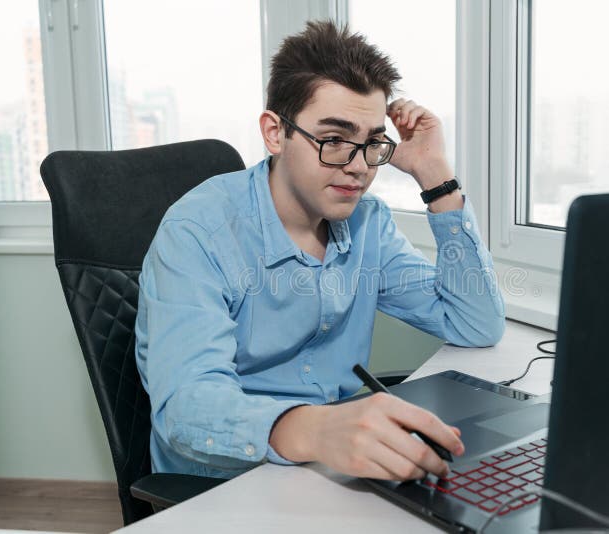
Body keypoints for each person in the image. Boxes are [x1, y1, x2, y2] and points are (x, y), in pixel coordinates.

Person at [134, 20, 505, 483]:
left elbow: (475, 323)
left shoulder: (369, 223)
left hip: (338, 460)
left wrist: (437, 178)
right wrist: (318, 430)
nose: (357, 168)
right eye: (332, 140)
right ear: (274, 133)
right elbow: (185, 409)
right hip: (228, 476)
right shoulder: (198, 232)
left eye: (371, 143)